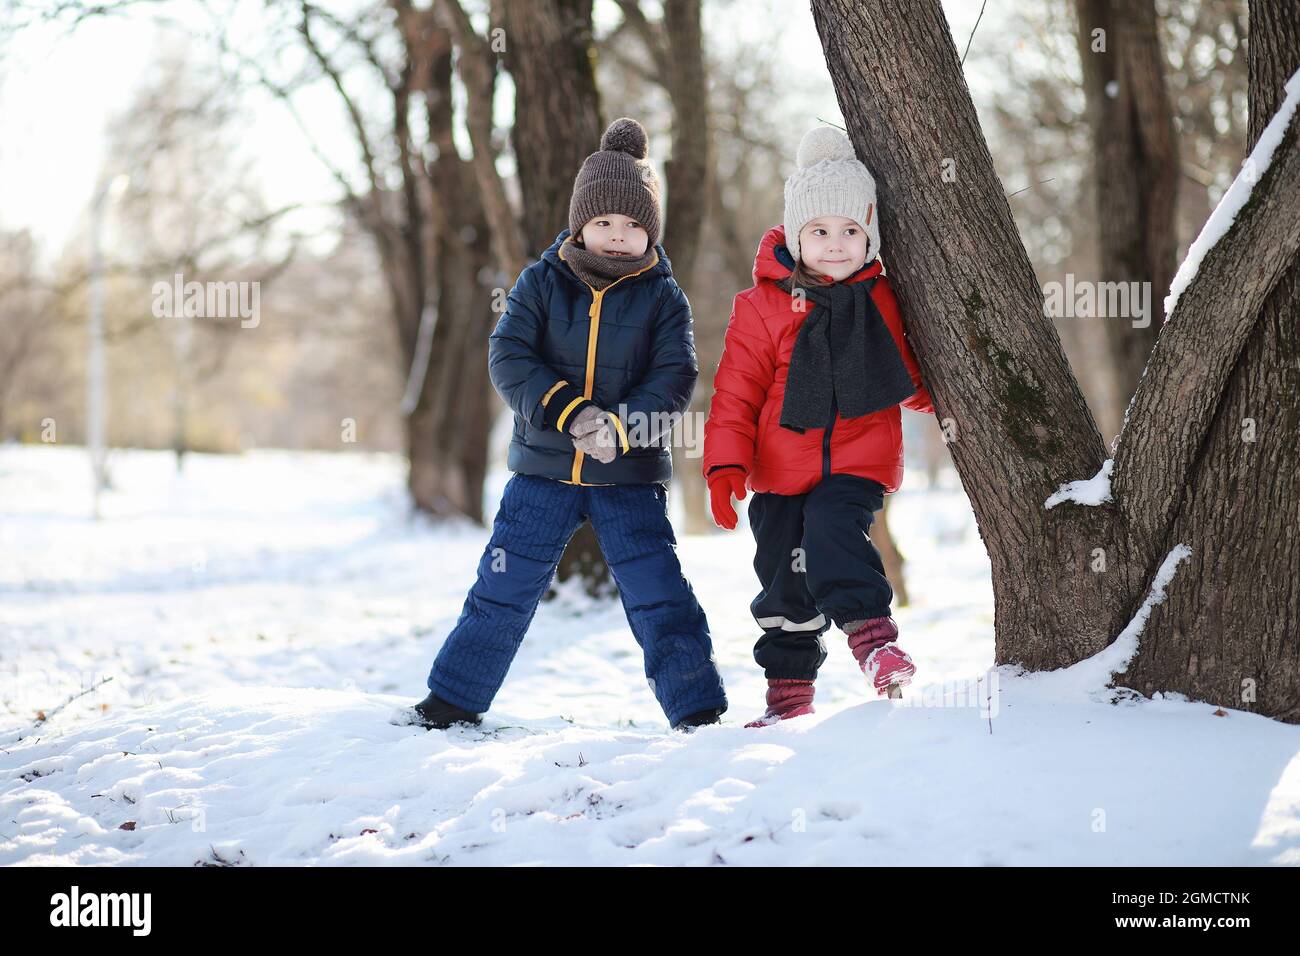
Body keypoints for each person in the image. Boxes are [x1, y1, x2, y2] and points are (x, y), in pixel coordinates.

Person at [411, 117, 728, 733]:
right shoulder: (540, 282)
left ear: (651, 232)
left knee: (658, 591)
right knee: (502, 586)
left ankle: (697, 711)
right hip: (542, 471)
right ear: (581, 222)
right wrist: (571, 412)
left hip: (627, 476)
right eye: (605, 222)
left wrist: (621, 426)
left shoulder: (664, 299)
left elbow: (674, 378)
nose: (617, 236)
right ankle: (452, 701)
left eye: (634, 225)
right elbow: (509, 357)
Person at [702, 126, 934, 728]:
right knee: (784, 584)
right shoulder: (760, 306)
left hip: (858, 462)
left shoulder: (881, 297)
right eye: (820, 231)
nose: (835, 244)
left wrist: (942, 403)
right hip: (778, 473)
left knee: (834, 533)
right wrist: (724, 465)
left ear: (870, 236)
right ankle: (787, 701)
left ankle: (876, 644)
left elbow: (905, 368)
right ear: (795, 235)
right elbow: (735, 392)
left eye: (851, 231)